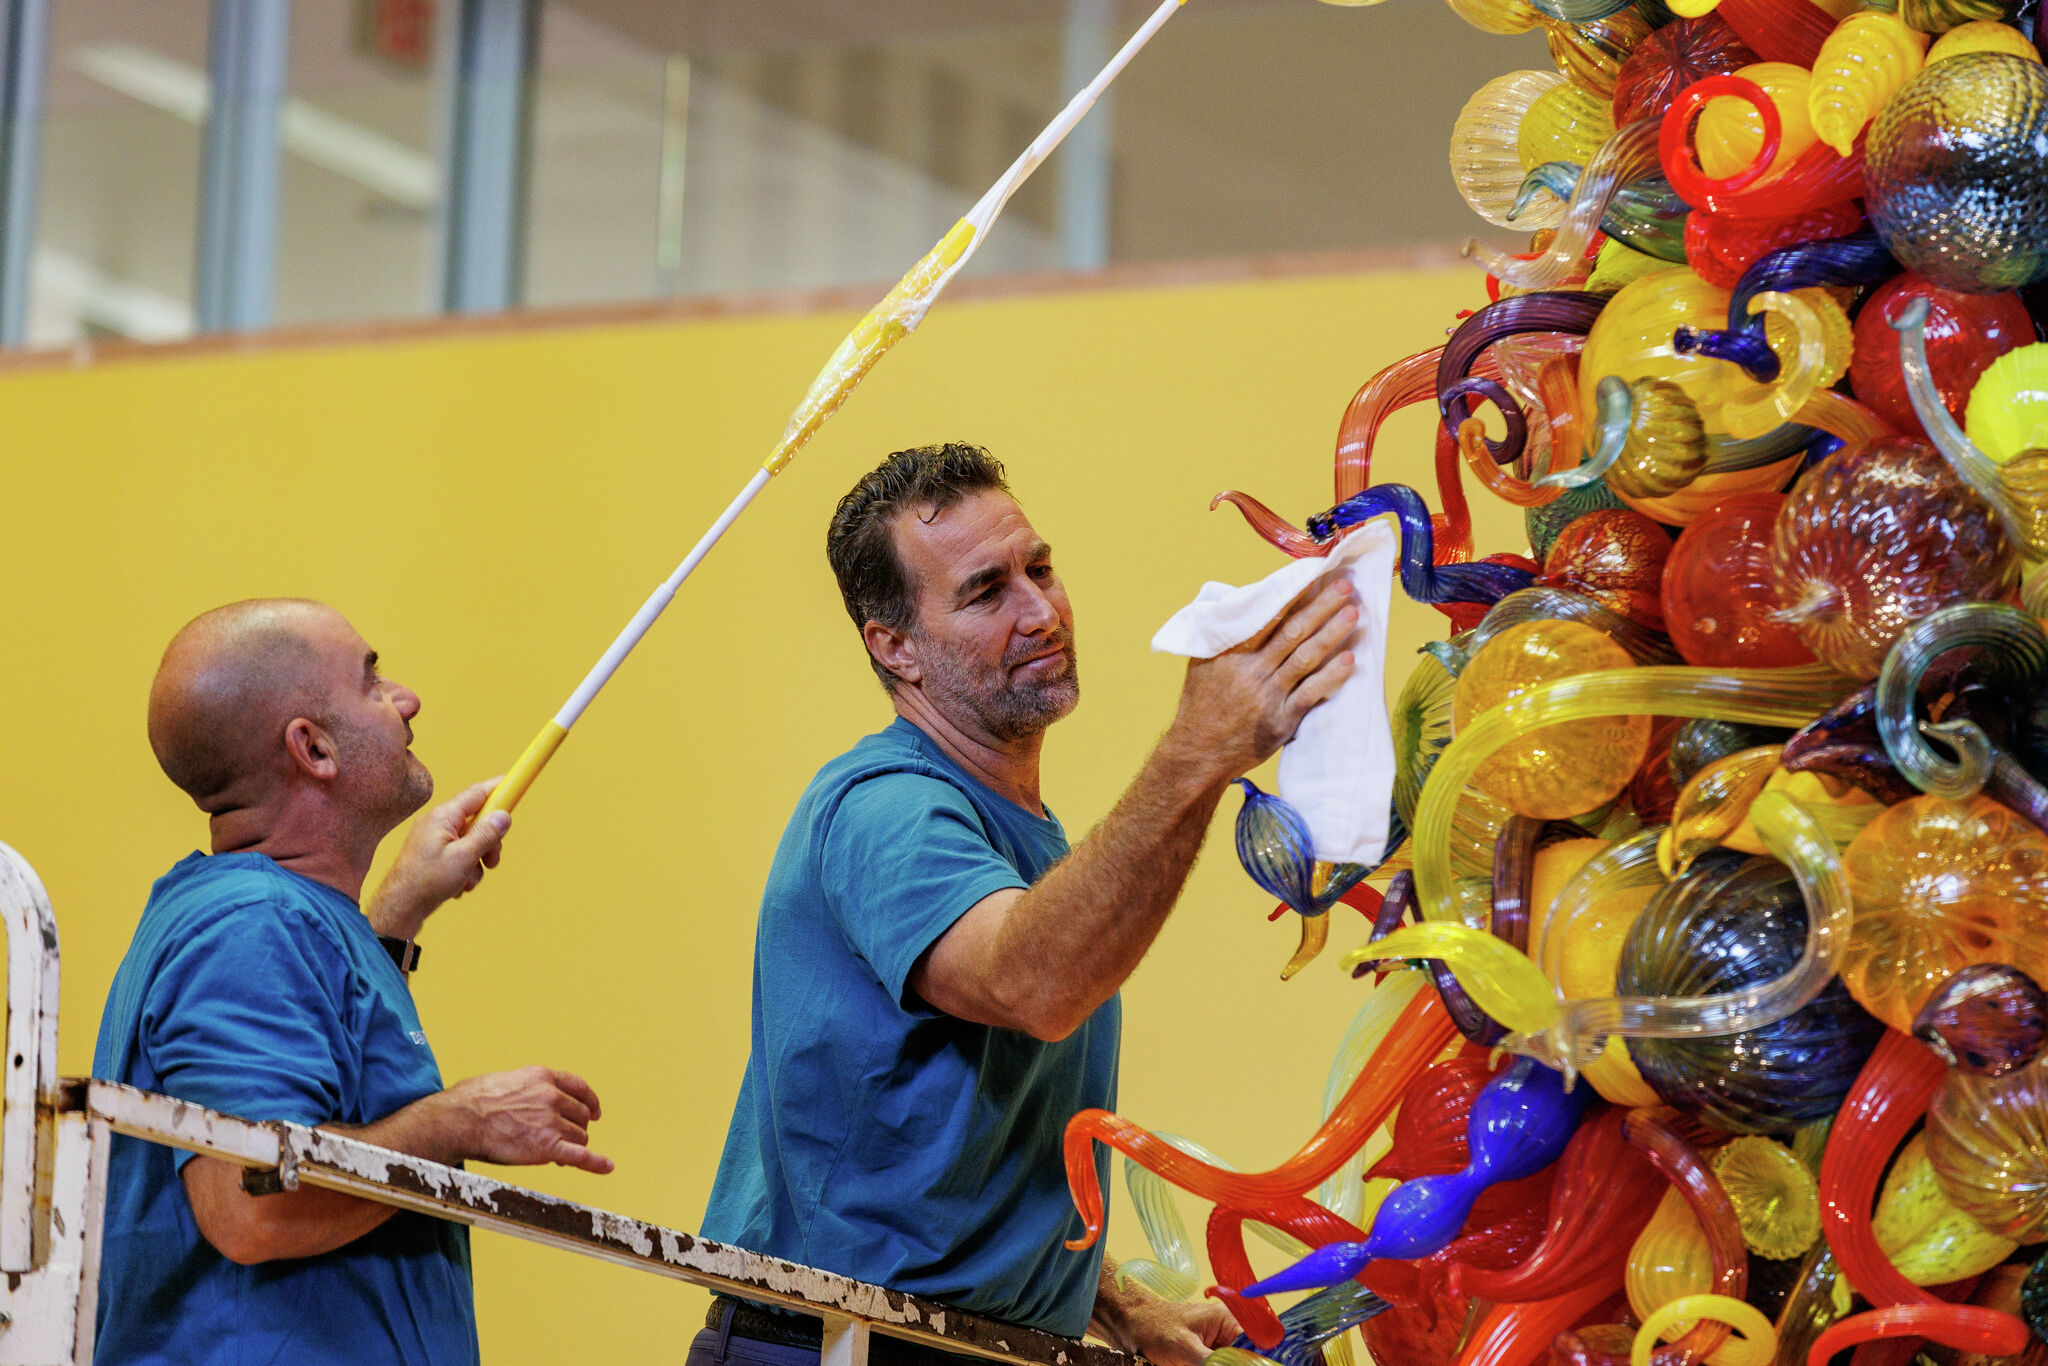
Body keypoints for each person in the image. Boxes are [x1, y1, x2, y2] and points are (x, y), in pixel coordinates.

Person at [698, 444, 1357, 1366]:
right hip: (838, 1348)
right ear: (895, 647)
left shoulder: (1013, 834)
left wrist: (1118, 1304)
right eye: (985, 592)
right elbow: (1034, 983)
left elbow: (989, 1160)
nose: (1041, 611)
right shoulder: (886, 812)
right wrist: (1197, 751)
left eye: (1039, 570)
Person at [94, 599, 614, 1366]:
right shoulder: (251, 925)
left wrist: (399, 914)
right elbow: (251, 1206)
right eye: (372, 679)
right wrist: (459, 1121)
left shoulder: (272, 918)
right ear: (313, 748)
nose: (407, 699)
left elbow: (328, 1068)